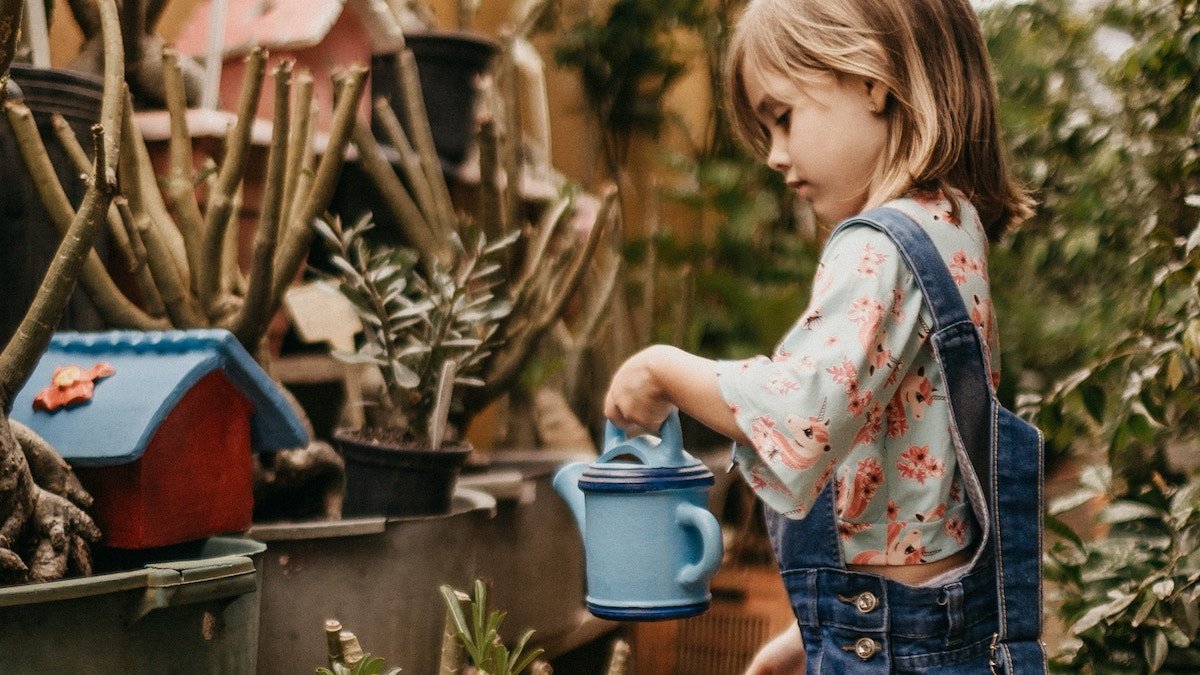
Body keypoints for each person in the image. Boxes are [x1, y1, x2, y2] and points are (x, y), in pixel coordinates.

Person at [603, 0, 1046, 672]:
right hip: (947, 637)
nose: (776, 156)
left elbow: (802, 414)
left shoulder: (877, 245)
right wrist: (814, 635)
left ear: (872, 78)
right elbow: (918, 489)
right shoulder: (951, 224)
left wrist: (659, 369)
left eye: (782, 117)